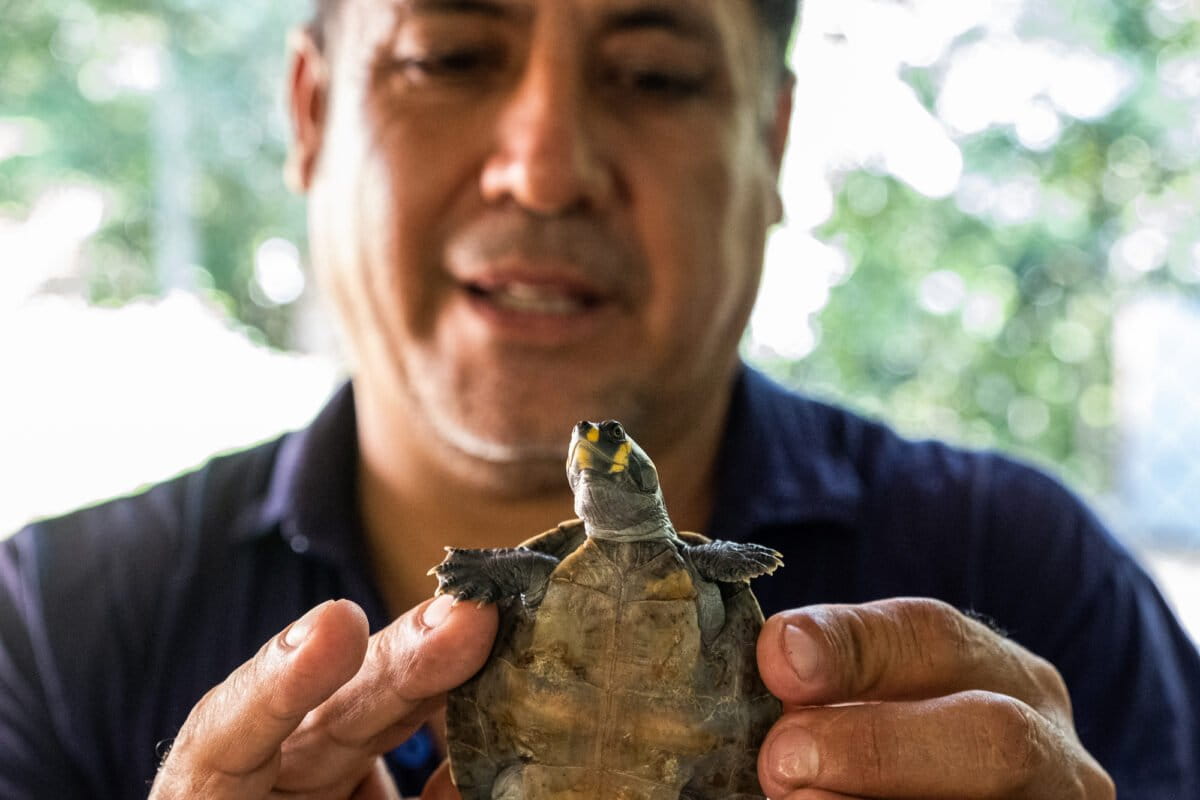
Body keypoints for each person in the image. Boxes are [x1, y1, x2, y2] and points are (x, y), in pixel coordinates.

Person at [1, 0, 1197, 797]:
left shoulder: (1036, 581)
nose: (546, 162)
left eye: (655, 74)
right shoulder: (49, 629)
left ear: (773, 142)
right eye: (450, 56)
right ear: (311, 115)